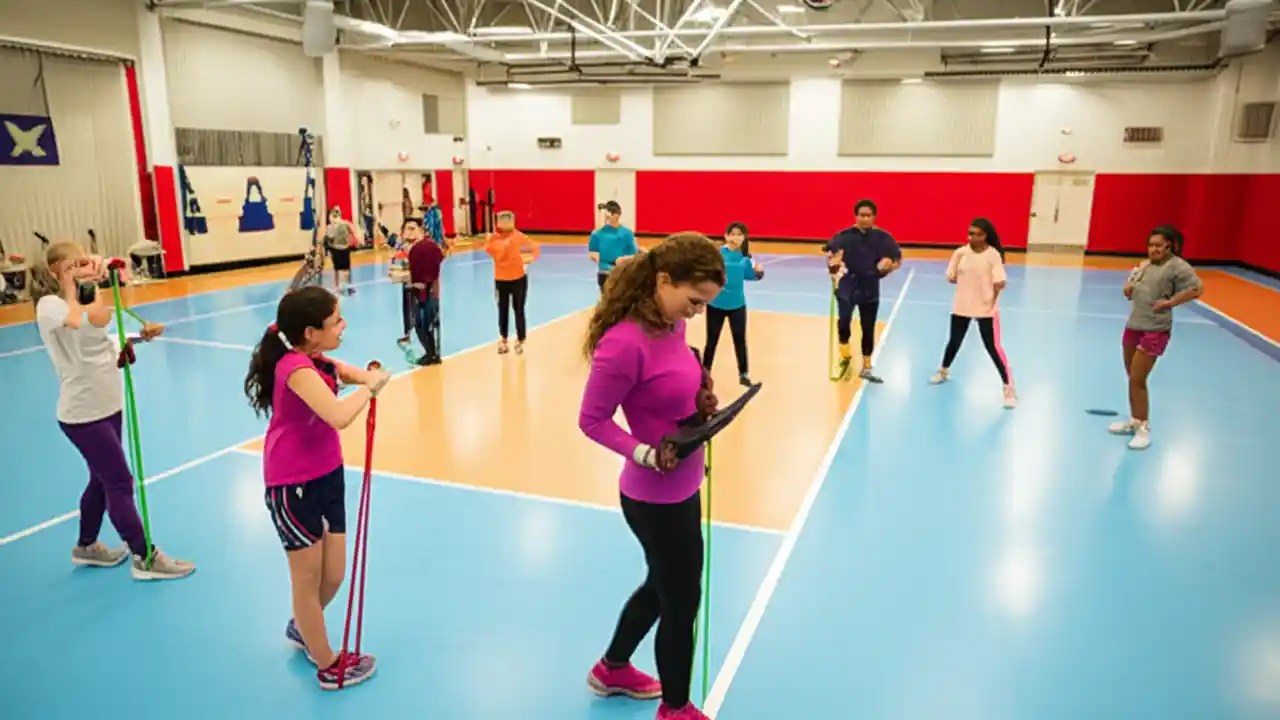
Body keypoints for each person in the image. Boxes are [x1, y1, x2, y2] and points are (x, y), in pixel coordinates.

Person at [578, 232, 726, 720]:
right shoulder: (622, 343)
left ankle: (613, 668)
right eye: (694, 300)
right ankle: (676, 709)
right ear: (664, 280)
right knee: (682, 601)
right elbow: (592, 421)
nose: (697, 312)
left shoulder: (671, 325)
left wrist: (700, 400)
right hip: (652, 498)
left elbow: (674, 389)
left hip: (685, 482)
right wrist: (643, 452)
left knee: (662, 587)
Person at [244, 285, 391, 689]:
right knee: (307, 581)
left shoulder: (316, 358)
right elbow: (338, 416)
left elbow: (342, 370)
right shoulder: (295, 369)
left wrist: (365, 375)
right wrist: (370, 388)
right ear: (310, 331)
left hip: (327, 474)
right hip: (293, 485)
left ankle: (305, 628)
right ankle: (327, 663)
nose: (343, 325)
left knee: (335, 574)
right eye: (336, 321)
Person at [32, 241, 195, 580]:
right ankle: (145, 556)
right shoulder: (50, 305)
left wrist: (136, 338)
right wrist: (70, 286)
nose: (80, 269)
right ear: (54, 272)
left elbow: (99, 334)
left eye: (82, 262)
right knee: (119, 481)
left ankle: (86, 546)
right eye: (70, 265)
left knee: (101, 478)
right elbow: (75, 322)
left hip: (108, 405)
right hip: (82, 414)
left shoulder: (87, 298)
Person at [1108, 225, 1203, 450]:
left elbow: (1196, 289)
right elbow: (1130, 287)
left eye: (1158, 245)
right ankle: (1135, 420)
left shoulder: (1177, 267)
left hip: (1155, 329)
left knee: (1138, 379)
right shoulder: (1145, 266)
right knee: (1132, 376)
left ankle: (1144, 429)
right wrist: (1128, 288)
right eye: (1151, 245)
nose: (1153, 249)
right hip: (1134, 325)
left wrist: (1171, 302)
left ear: (1169, 246)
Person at [929, 218, 1017, 408]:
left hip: (985, 309)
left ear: (986, 236)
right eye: (970, 233)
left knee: (993, 349)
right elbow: (950, 275)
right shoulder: (961, 253)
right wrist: (954, 276)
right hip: (962, 306)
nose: (973, 237)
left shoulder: (993, 255)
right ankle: (943, 371)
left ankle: (1009, 388)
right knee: (954, 342)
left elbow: (1000, 282)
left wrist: (991, 300)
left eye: (978, 234)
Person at [824, 199, 902, 383]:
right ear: (856, 216)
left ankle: (867, 366)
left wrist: (889, 266)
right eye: (861, 215)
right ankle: (845, 354)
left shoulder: (884, 238)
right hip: (846, 287)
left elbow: (897, 259)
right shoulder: (843, 236)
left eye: (868, 215)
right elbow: (830, 257)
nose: (865, 218)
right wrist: (832, 264)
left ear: (874, 217)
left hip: (870, 288)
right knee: (843, 323)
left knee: (868, 327)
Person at [704, 222, 763, 386]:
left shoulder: (746, 258)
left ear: (744, 238)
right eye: (733, 233)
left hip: (737, 305)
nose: (736, 237)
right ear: (726, 236)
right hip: (716, 304)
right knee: (711, 340)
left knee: (740, 340)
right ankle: (704, 372)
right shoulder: (717, 254)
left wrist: (759, 272)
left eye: (740, 234)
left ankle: (743, 374)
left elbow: (751, 276)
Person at [484, 210, 540, 354]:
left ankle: (520, 339)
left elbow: (534, 248)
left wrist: (527, 259)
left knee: (519, 309)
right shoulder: (494, 239)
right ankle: (503, 338)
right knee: (502, 310)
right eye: (502, 220)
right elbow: (493, 252)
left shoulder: (519, 236)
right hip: (501, 279)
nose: (506, 223)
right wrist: (504, 246)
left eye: (508, 220)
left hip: (518, 279)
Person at [407, 216, 445, 365]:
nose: (409, 233)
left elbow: (435, 264)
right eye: (407, 229)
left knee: (425, 322)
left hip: (428, 291)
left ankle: (432, 354)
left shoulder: (426, 247)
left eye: (412, 229)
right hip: (420, 290)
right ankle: (431, 352)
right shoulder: (411, 249)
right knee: (421, 323)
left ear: (421, 230)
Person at [589, 200, 639, 292]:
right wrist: (596, 257)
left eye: (612, 214)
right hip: (604, 273)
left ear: (618, 215)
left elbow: (634, 255)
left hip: (621, 273)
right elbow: (593, 253)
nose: (609, 217)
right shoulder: (597, 234)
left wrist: (623, 260)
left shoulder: (627, 233)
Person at [324, 207, 360, 296]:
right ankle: (348, 287)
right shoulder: (345, 223)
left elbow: (330, 238)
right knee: (345, 269)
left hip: (338, 249)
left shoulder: (332, 226)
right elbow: (353, 233)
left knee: (338, 269)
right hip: (342, 249)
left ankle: (339, 288)